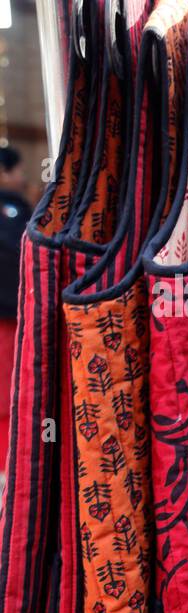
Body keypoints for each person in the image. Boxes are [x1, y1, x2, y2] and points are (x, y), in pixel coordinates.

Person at [0, 144, 32, 479]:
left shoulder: (15, 207)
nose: (22, 178)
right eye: (17, 171)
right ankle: (10, 469)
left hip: (12, 317)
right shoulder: (11, 208)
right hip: (10, 319)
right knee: (10, 393)